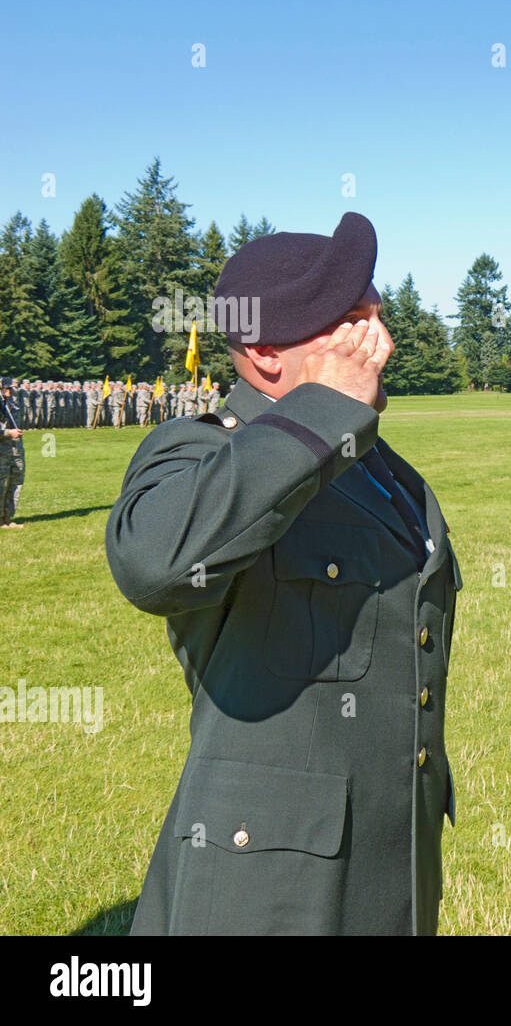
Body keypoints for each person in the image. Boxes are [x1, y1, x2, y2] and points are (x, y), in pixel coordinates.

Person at [105, 212, 460, 935]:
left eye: (377, 315)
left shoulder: (388, 474)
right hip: (268, 889)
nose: (382, 344)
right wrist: (323, 413)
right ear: (266, 351)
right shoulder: (200, 454)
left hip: (386, 870)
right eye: (354, 323)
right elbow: (153, 562)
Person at [0, 378, 24, 529]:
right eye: (5, 388)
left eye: (10, 388)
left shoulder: (13, 404)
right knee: (1, 486)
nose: (9, 390)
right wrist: (9, 432)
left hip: (16, 450)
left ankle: (8, 517)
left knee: (16, 484)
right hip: (2, 451)